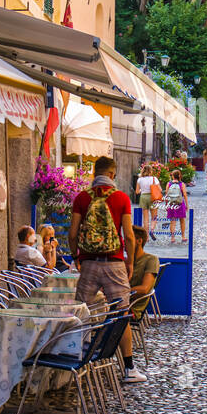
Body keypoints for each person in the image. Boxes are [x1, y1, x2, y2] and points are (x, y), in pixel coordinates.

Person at [68, 155, 145, 384]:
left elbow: (72, 234)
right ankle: (129, 368)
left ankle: (76, 361)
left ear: (94, 173)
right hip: (114, 263)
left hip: (89, 263)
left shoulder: (82, 198)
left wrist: (76, 258)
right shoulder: (121, 198)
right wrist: (130, 262)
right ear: (113, 174)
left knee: (80, 312)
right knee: (121, 314)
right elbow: (129, 236)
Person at [129, 226, 160, 320]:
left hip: (130, 309)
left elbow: (144, 289)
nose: (125, 243)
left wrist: (119, 294)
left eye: (129, 239)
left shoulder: (151, 260)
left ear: (139, 241)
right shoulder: (125, 262)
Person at [164, 168, 188, 243]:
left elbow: (166, 195)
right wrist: (187, 204)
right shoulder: (182, 184)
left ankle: (172, 238)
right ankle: (183, 236)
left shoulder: (169, 184)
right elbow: (184, 194)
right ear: (179, 176)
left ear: (173, 176)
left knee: (172, 221)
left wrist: (166, 204)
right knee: (182, 220)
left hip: (171, 204)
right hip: (180, 203)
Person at [135, 162, 157, 237]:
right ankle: (152, 229)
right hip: (152, 197)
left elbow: (137, 191)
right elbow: (159, 189)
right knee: (154, 216)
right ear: (151, 171)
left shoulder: (140, 180)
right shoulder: (154, 179)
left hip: (143, 197)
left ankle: (146, 236)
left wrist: (142, 190)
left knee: (145, 218)